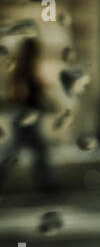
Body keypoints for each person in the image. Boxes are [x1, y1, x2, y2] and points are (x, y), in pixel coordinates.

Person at [1, 37, 54, 193]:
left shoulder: (25, 67)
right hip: (24, 116)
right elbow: (19, 93)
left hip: (27, 115)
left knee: (19, 151)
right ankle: (45, 184)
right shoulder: (23, 68)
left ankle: (45, 183)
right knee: (16, 151)